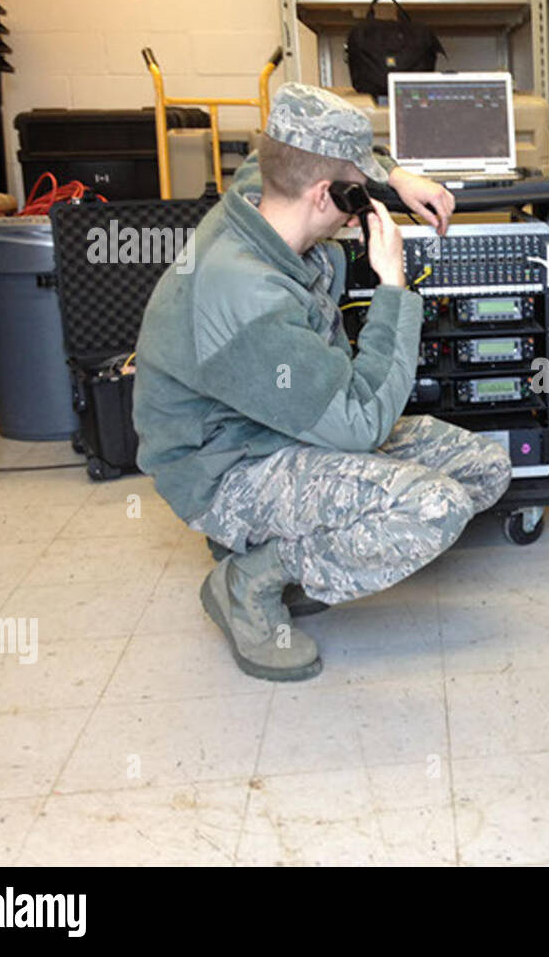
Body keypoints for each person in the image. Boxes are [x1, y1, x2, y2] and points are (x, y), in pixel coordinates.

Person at [133, 83, 512, 682]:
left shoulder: (264, 185)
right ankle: (247, 581)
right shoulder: (246, 293)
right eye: (356, 195)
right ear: (324, 194)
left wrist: (396, 176)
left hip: (284, 419)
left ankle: (279, 552)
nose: (363, 206)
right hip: (229, 463)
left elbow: (301, 151)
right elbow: (360, 426)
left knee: (484, 467)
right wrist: (392, 289)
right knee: (434, 509)